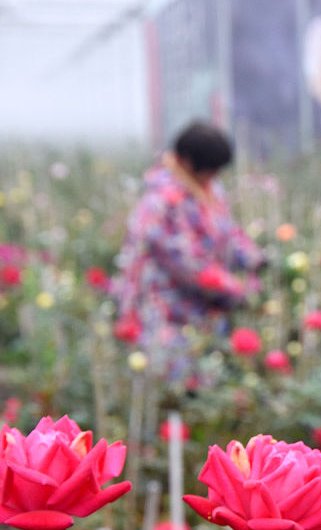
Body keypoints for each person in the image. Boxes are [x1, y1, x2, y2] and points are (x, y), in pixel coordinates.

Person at [113, 121, 263, 378]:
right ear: (185, 161)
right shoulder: (161, 202)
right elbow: (187, 263)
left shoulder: (208, 189)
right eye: (209, 169)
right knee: (178, 384)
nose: (213, 176)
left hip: (203, 311)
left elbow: (227, 230)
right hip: (167, 313)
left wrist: (252, 258)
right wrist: (237, 288)